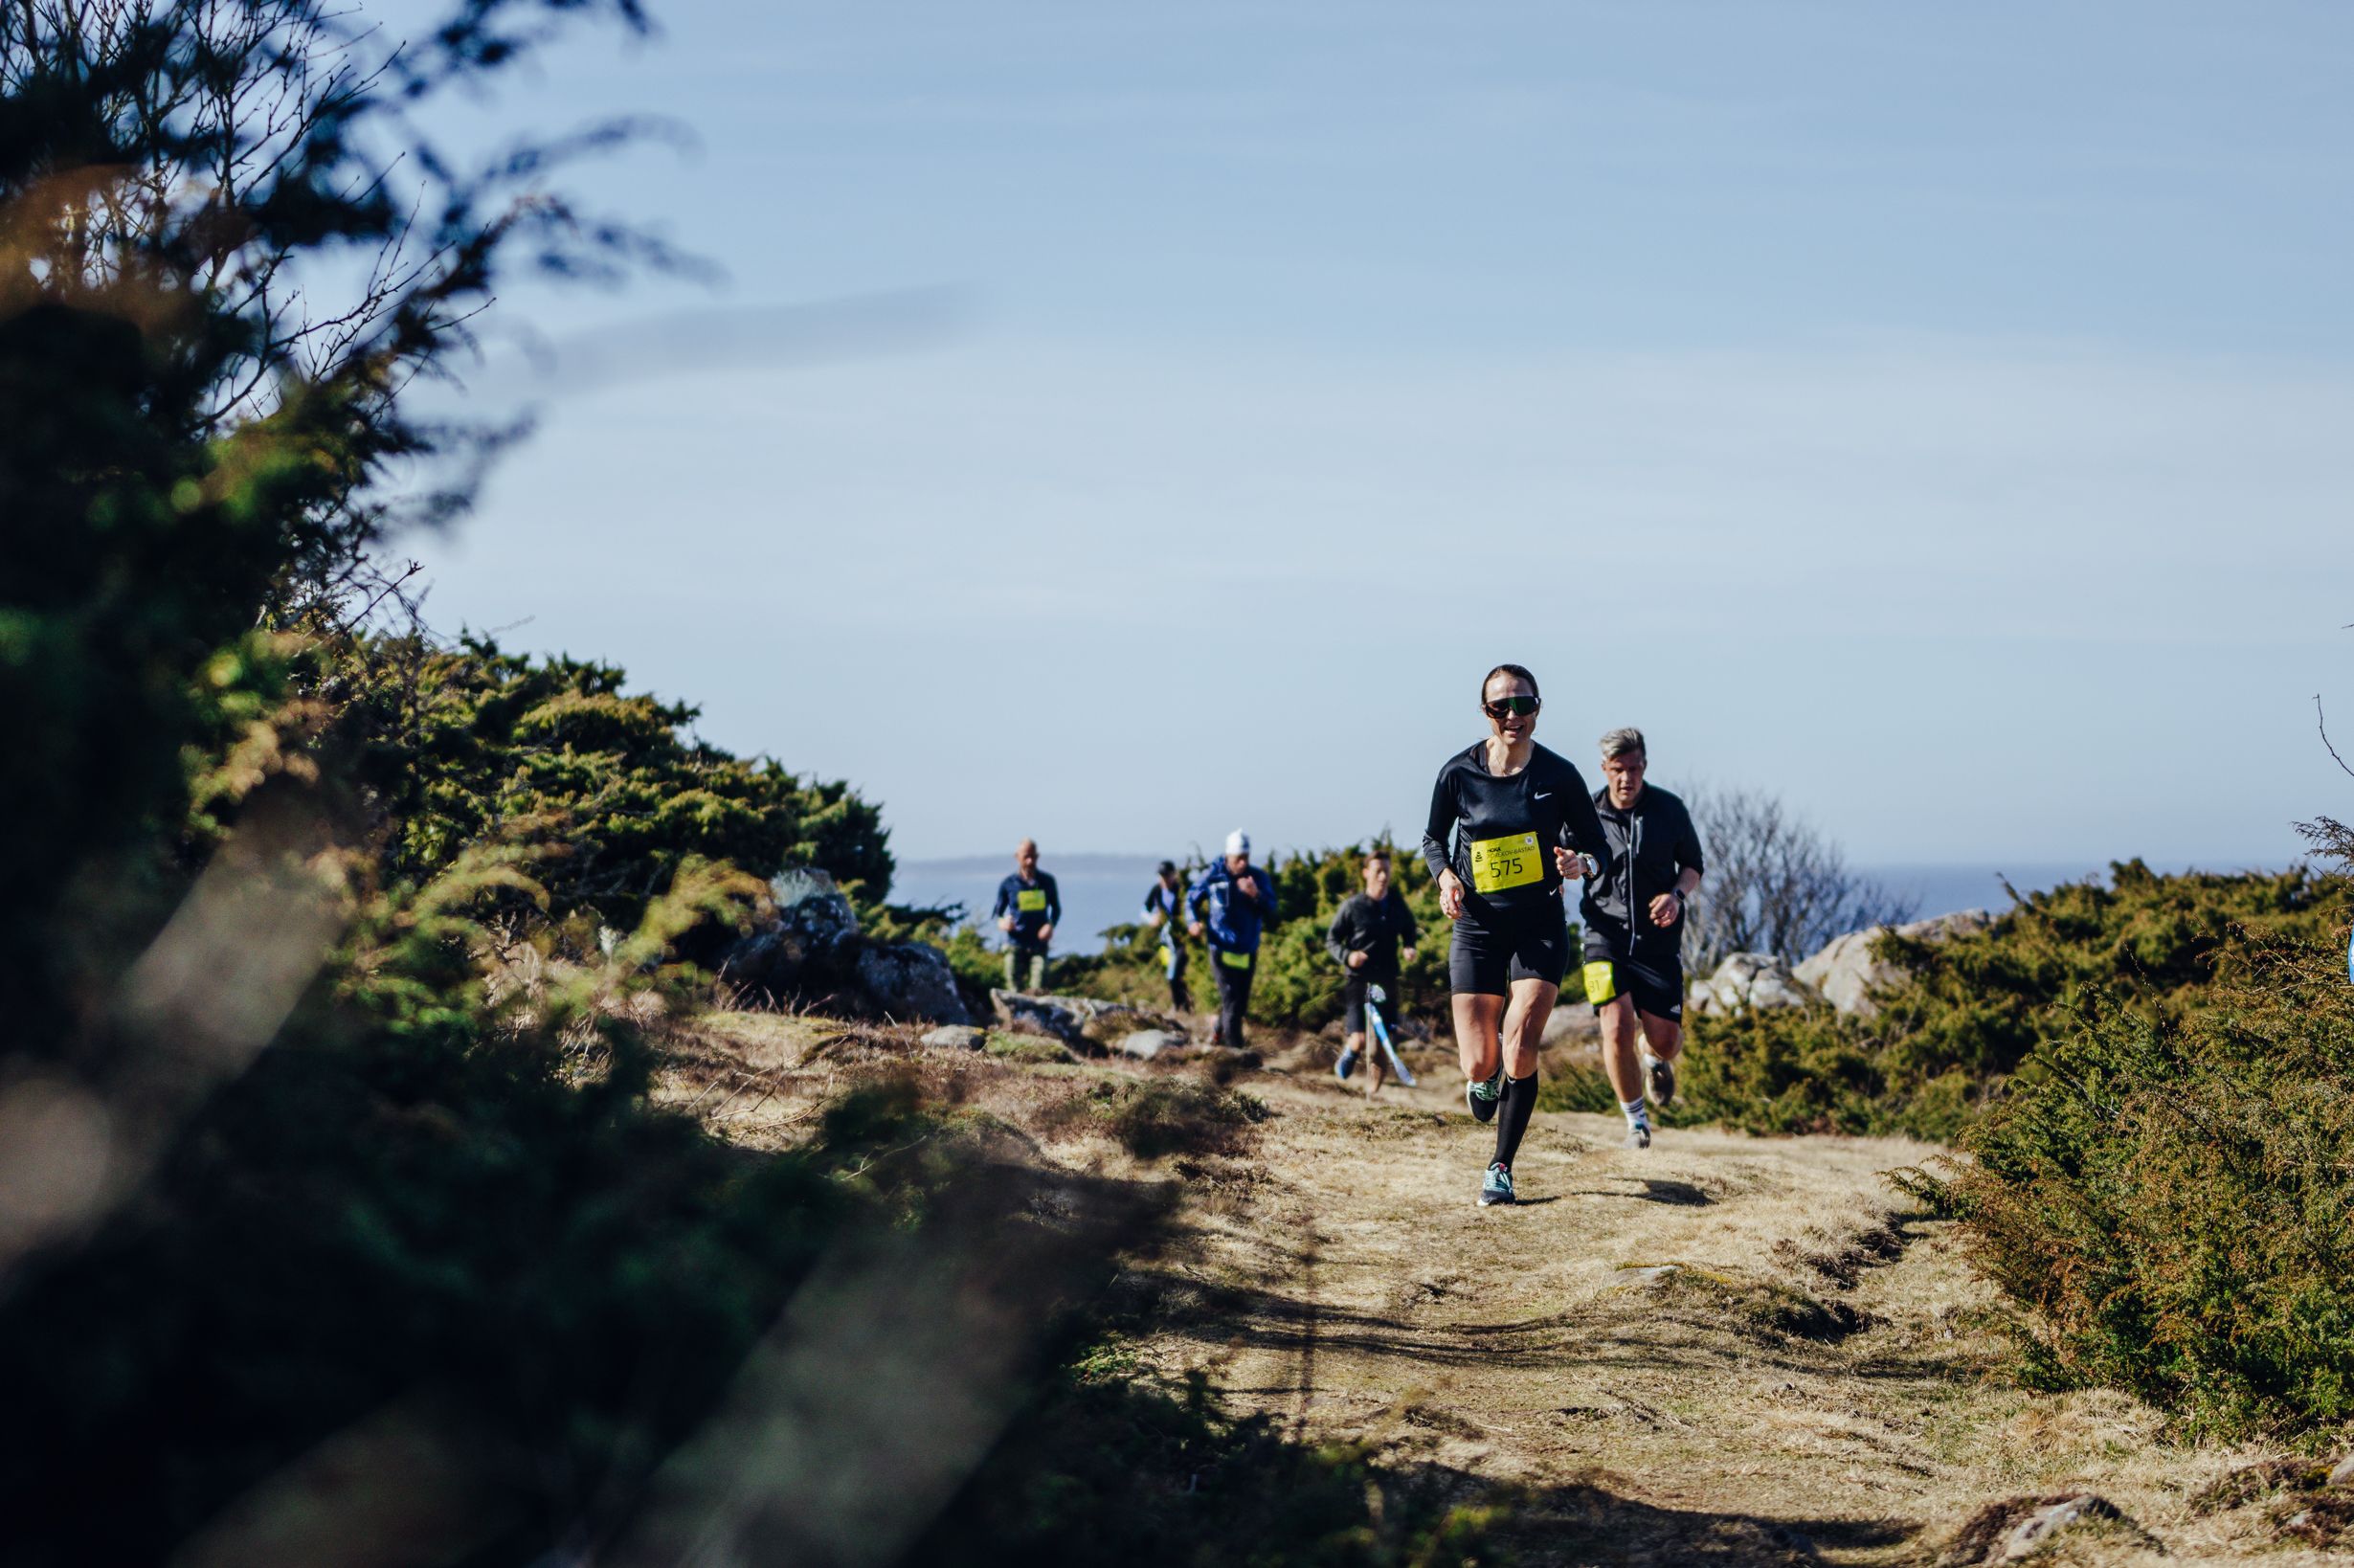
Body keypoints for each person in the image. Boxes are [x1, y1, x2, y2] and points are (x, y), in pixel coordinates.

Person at [1422, 663, 1610, 1207]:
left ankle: (1500, 1167)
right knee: (1481, 1061)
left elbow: (1599, 848)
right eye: (1500, 707)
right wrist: (1446, 876)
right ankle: (1481, 1081)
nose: (1512, 716)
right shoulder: (1458, 772)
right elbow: (1434, 838)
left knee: (1520, 1043)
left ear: (1538, 707)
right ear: (1485, 712)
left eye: (1522, 705)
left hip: (1539, 923)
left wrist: (1581, 864)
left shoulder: (1559, 774)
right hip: (1478, 924)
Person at [1580, 728, 1705, 1151]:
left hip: (1658, 942)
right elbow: (1564, 857)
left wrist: (1676, 895)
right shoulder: (1585, 812)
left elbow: (1692, 866)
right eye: (1617, 770)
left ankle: (1653, 1056)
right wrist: (1566, 868)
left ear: (1644, 766)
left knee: (1667, 1041)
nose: (1625, 779)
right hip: (1603, 936)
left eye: (1633, 769)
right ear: (1604, 769)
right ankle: (1636, 1122)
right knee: (1614, 1023)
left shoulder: (1670, 809)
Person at [1327, 849, 1420, 1096]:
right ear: (1366, 873)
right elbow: (1332, 939)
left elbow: (1409, 929)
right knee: (1359, 1038)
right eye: (1378, 870)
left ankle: (1372, 1095)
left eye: (1387, 871)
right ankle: (1349, 1054)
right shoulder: (1352, 906)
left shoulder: (1397, 905)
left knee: (1383, 1042)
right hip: (1359, 980)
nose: (1383, 876)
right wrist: (1349, 956)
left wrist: (1409, 947)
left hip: (1388, 978)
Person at [1187, 830, 1277, 1048]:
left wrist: (1255, 894)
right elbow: (1191, 899)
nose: (1243, 863)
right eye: (1239, 858)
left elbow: (1272, 909)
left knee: (1239, 1004)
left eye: (1246, 857)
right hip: (1220, 948)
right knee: (1231, 1001)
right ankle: (1235, 1053)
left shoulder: (1257, 877)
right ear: (1228, 855)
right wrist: (1193, 922)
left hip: (1247, 949)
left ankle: (1218, 1031)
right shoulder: (1214, 875)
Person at [990, 839, 1061, 992]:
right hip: (1015, 943)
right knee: (1013, 988)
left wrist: (1050, 925)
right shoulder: (1008, 883)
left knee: (1039, 989)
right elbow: (997, 913)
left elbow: (1056, 909)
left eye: (1033, 857)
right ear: (1017, 857)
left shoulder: (1047, 881)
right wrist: (1002, 923)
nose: (1029, 861)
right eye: (1025, 857)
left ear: (1037, 856)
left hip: (1039, 945)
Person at [1139, 860, 1191, 1014]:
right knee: (1171, 974)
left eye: (1167, 876)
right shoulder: (1156, 890)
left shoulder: (1180, 890)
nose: (1164, 879)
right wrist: (1152, 919)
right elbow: (1143, 910)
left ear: (1174, 875)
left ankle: (1181, 1008)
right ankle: (1182, 1007)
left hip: (1182, 940)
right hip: (1165, 942)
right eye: (1161, 876)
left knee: (1175, 975)